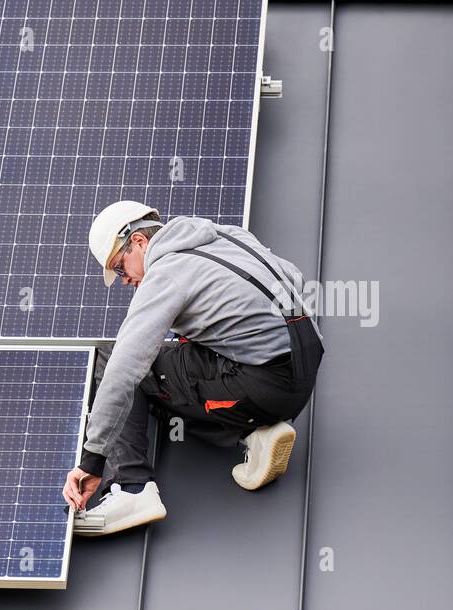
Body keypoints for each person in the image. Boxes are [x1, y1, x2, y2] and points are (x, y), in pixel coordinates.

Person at [63, 201, 326, 536]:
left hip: (265, 384)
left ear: (140, 243)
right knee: (184, 346)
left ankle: (132, 489)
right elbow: (295, 281)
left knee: (112, 357)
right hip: (307, 360)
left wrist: (93, 459)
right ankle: (253, 433)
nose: (125, 280)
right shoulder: (226, 236)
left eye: (120, 267)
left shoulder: (166, 275)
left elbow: (123, 368)